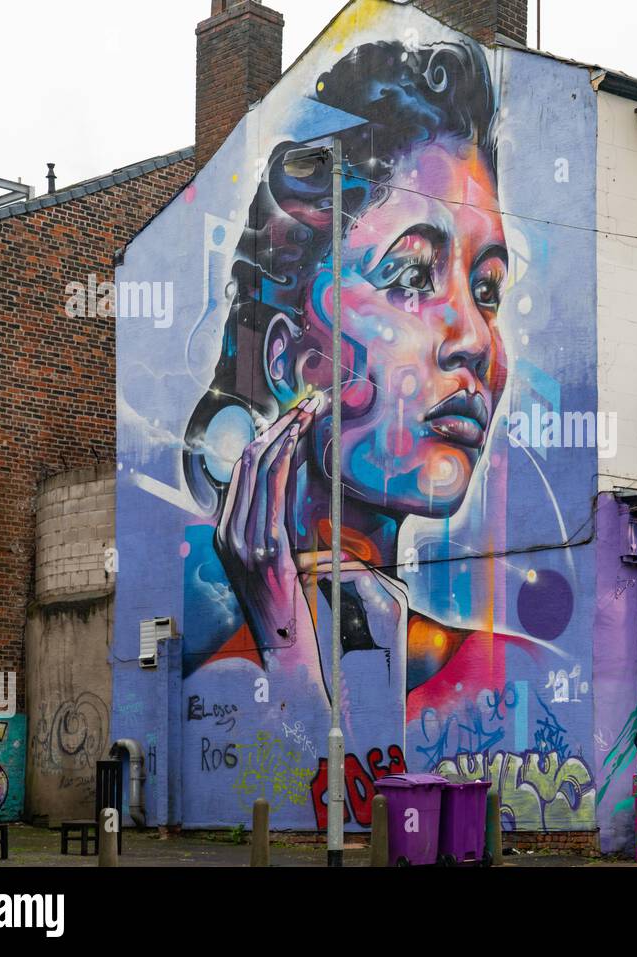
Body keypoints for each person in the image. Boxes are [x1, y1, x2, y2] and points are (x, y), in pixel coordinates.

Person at [183, 38, 519, 721]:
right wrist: (285, 641)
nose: (477, 340)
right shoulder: (210, 692)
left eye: (487, 289)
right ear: (291, 361)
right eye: (409, 276)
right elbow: (298, 805)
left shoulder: (508, 678)